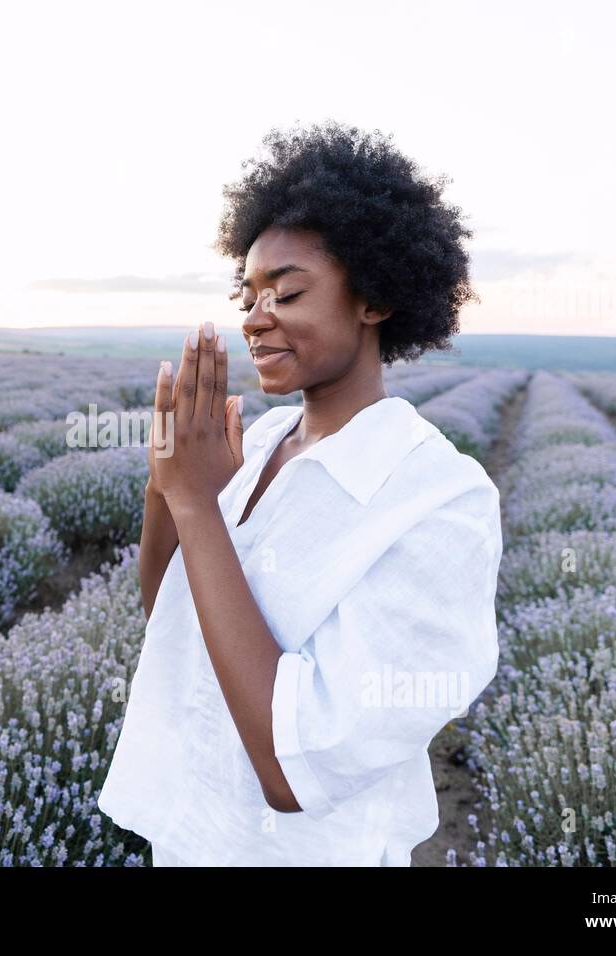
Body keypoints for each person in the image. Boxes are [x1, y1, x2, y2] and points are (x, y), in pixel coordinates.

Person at [96, 120, 503, 866]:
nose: (254, 319)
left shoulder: (439, 499)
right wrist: (170, 485)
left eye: (286, 293)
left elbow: (293, 769)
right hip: (191, 840)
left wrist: (195, 506)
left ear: (374, 298)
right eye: (247, 294)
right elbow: (174, 615)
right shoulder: (260, 443)